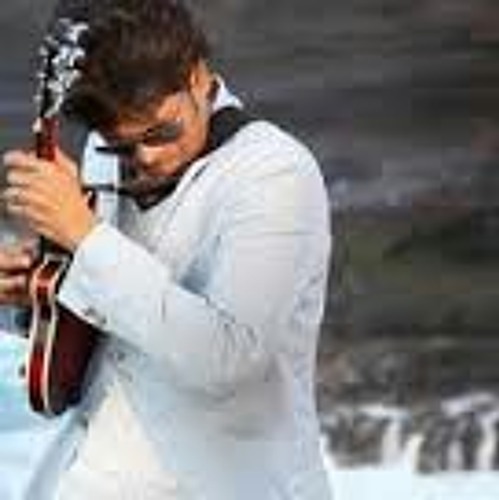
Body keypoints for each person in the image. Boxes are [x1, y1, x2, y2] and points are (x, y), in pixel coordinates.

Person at [0, 0, 332, 498]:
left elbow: (229, 359)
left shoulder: (275, 174)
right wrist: (40, 294)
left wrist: (84, 237)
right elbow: (119, 327)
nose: (148, 157)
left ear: (197, 76)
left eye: (162, 130)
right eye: (122, 144)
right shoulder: (105, 153)